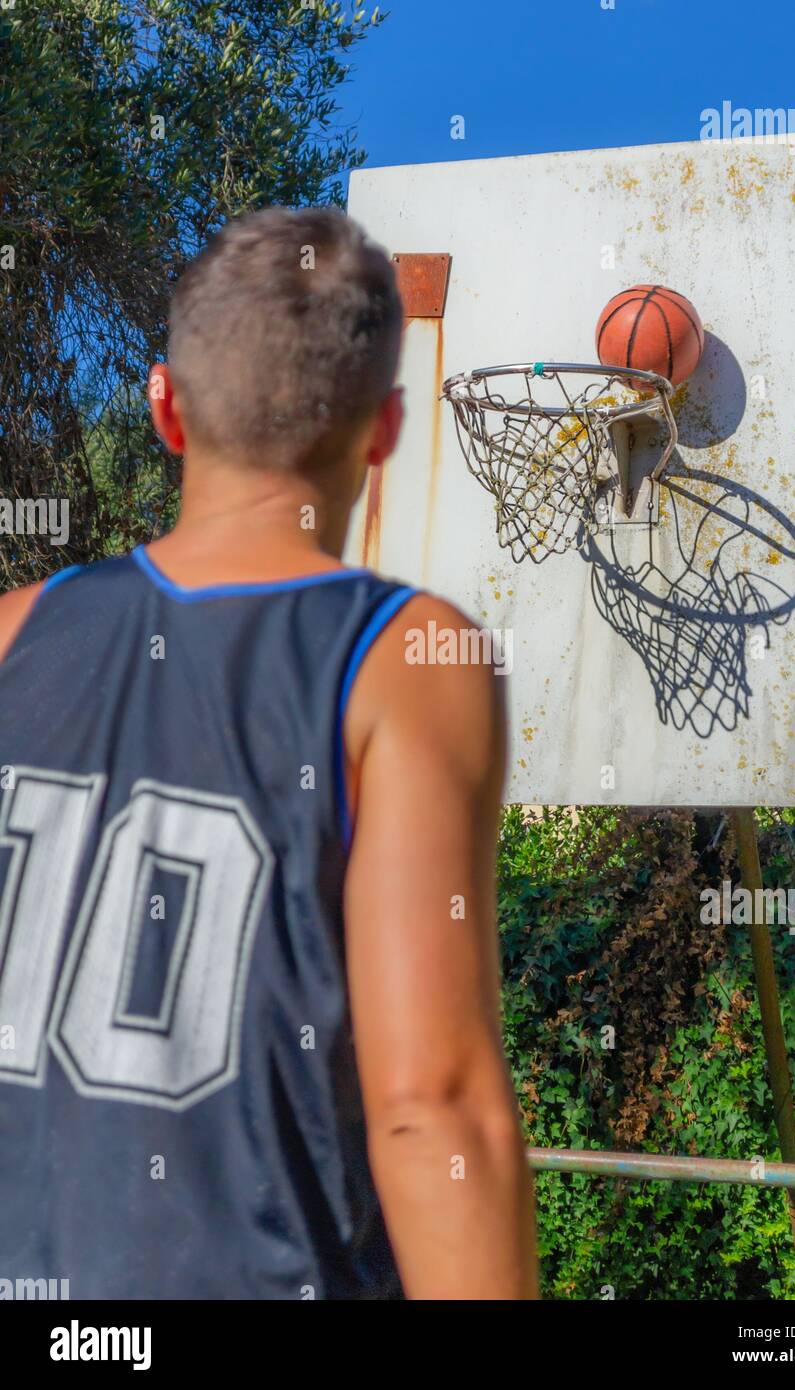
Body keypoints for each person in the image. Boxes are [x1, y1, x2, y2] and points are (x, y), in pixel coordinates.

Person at [0, 206, 538, 1300]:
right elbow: (428, 1100)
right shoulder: (406, 658)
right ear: (384, 429)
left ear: (164, 408)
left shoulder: (16, 635)